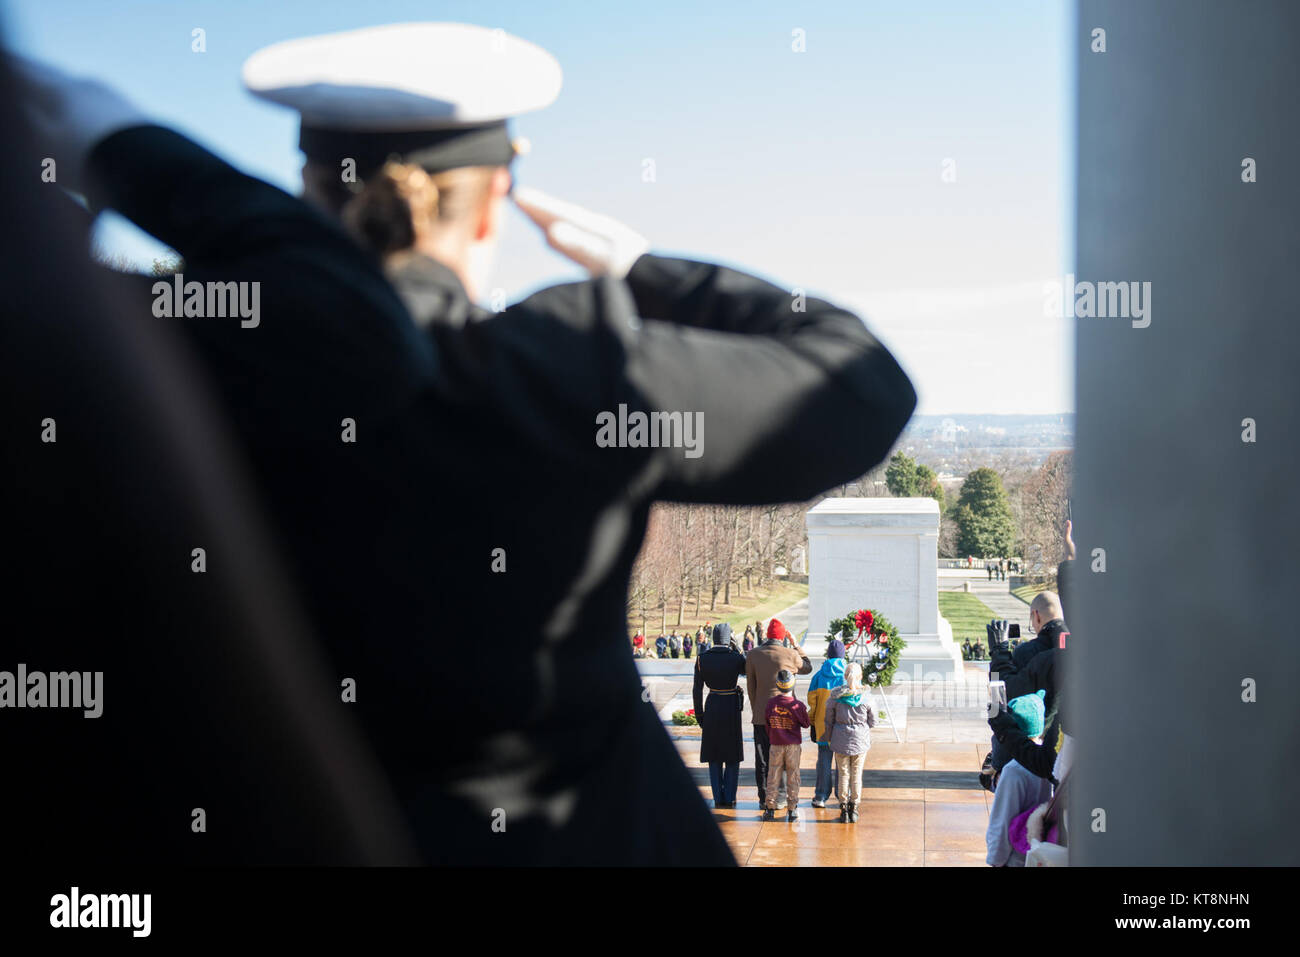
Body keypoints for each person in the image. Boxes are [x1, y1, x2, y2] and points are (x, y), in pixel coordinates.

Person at [65, 19, 914, 865]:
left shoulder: (164, 357)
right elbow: (864, 385)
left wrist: (125, 160)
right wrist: (647, 271)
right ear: (492, 206)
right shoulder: (564, 373)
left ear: (306, 193)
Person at [746, 618, 813, 809]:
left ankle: (764, 797)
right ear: (782, 636)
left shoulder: (753, 654)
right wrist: (795, 644)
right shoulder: (791, 654)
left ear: (767, 635)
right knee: (783, 758)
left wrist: (757, 708)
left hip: (761, 714)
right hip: (784, 715)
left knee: (763, 759)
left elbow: (751, 686)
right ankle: (782, 797)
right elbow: (807, 667)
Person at [986, 691, 1052, 866]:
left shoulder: (1014, 771)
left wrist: (995, 860)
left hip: (1015, 859)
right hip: (1042, 854)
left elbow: (1002, 822)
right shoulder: (1051, 759)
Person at [692, 623, 747, 809]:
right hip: (730, 704)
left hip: (713, 703)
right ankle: (730, 796)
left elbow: (697, 689)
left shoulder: (702, 658)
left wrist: (699, 713)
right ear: (728, 638)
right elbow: (747, 669)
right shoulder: (736, 658)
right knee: (731, 754)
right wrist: (738, 648)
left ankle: (718, 797)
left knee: (714, 755)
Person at [823, 662, 876, 823]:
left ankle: (844, 807)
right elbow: (873, 721)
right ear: (860, 677)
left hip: (840, 739)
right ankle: (854, 806)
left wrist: (830, 736)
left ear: (845, 676)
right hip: (860, 740)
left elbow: (828, 720)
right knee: (856, 775)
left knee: (843, 774)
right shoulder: (866, 697)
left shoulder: (835, 697)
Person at [762, 669, 809, 822]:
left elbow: (767, 724)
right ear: (793, 685)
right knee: (793, 776)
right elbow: (806, 724)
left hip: (775, 744)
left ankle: (769, 808)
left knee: (773, 775)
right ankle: (792, 808)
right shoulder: (797, 705)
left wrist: (773, 735)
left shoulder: (771, 703)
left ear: (778, 685)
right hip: (793, 746)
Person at [806, 638, 848, 808]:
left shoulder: (818, 676)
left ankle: (821, 796)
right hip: (842, 726)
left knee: (823, 761)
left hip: (823, 726)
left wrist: (812, 721)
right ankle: (842, 796)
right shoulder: (848, 675)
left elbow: (812, 702)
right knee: (842, 762)